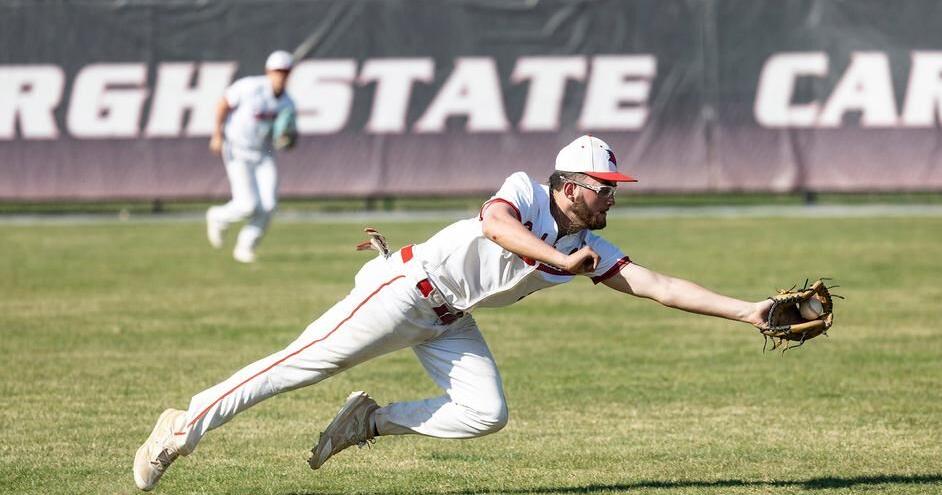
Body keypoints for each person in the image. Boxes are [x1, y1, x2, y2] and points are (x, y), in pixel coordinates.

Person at [133, 135, 775, 491]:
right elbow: (496, 225)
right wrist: (559, 258)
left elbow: (659, 285)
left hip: (448, 319)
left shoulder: (590, 246)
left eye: (614, 189)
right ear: (571, 185)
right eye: (605, 188)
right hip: (403, 290)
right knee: (296, 367)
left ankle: (369, 422)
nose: (613, 198)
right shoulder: (527, 191)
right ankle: (181, 428)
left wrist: (749, 311)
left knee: (486, 412)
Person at [206, 50, 296, 263]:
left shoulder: (288, 103)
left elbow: (288, 138)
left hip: (263, 153)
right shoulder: (250, 87)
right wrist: (217, 134)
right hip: (237, 149)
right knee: (247, 205)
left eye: (285, 72)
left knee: (269, 205)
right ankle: (217, 216)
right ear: (268, 71)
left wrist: (287, 138)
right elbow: (223, 104)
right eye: (277, 71)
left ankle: (246, 246)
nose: (280, 76)